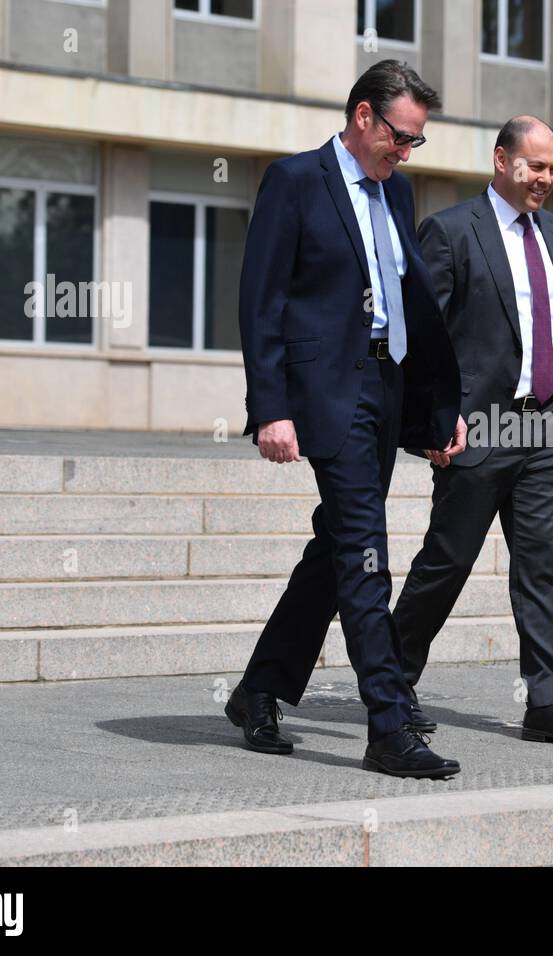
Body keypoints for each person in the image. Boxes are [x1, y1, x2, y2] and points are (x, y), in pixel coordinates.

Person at [226, 60, 467, 779]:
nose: (407, 151)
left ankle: (259, 689)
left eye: (416, 141)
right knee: (365, 552)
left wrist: (434, 412)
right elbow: (260, 301)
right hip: (325, 394)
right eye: (401, 135)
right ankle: (389, 725)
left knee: (338, 544)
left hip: (384, 392)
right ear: (363, 117)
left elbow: (411, 310)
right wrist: (270, 408)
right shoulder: (295, 182)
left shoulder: (398, 195)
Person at [394, 115, 553, 746]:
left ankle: (548, 704)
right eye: (534, 165)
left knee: (543, 568)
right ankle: (392, 679)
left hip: (546, 428)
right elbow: (421, 338)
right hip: (480, 427)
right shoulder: (452, 231)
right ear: (501, 160)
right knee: (446, 562)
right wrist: (434, 421)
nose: (545, 178)